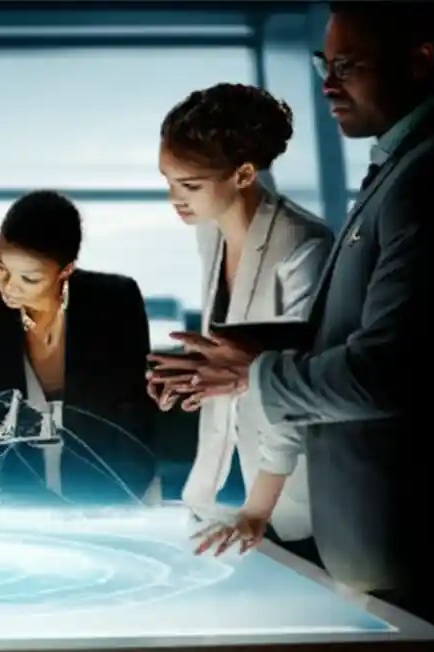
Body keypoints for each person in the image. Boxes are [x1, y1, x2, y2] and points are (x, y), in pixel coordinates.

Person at [151, 3, 434, 652]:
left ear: (421, 58)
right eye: (326, 63)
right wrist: (215, 373)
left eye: (347, 65)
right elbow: (325, 344)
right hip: (360, 539)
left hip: (394, 538)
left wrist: (252, 374)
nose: (327, 84)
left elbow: (389, 370)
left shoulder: (431, 178)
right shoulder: (400, 168)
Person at [150, 83, 334, 559]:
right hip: (219, 483)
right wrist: (195, 374)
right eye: (169, 180)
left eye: (190, 185)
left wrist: (258, 511)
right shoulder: (210, 232)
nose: (174, 198)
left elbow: (298, 384)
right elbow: (242, 349)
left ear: (244, 173)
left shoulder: (303, 246)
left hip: (286, 498)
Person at [0, 190, 156, 505]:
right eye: (0, 268)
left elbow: (134, 416)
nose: (9, 287)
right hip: (12, 494)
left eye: (29, 278)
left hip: (112, 486)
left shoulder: (115, 302)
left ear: (66, 270)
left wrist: (117, 498)